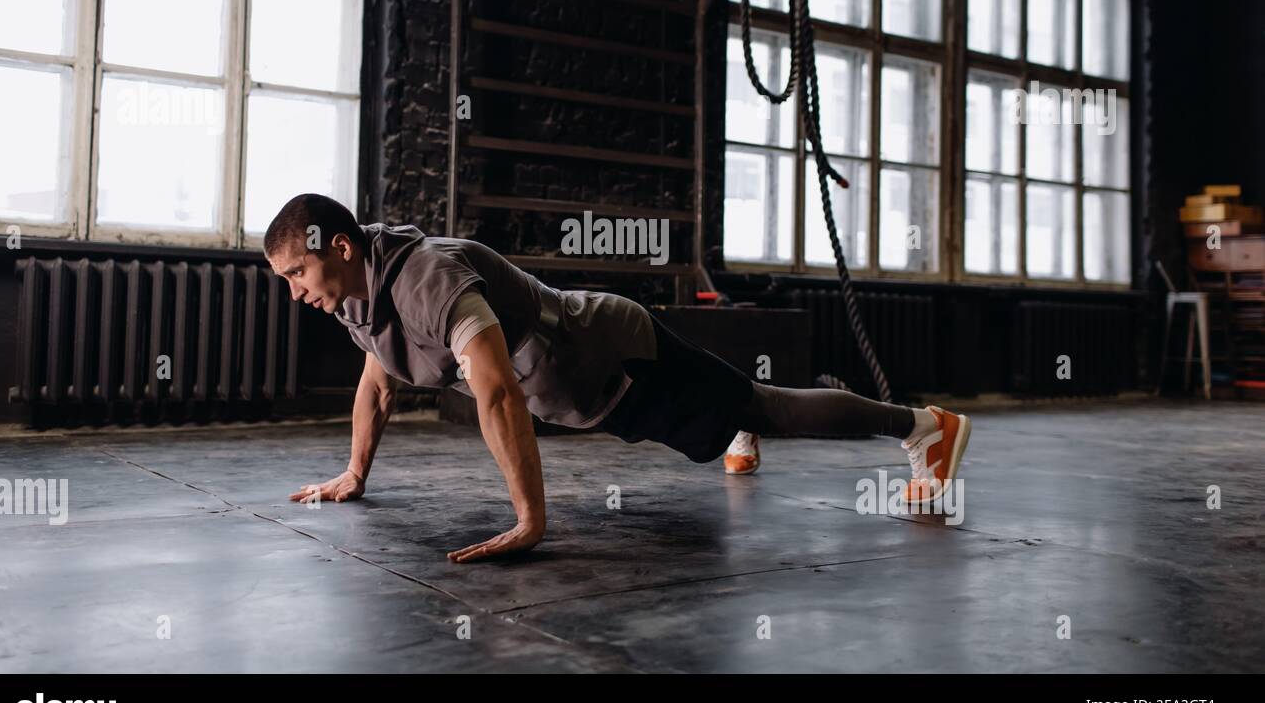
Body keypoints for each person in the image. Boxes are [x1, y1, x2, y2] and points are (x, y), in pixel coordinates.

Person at [263, 193, 971, 563]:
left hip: (617, 358)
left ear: (342, 247)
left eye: (297, 273)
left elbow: (499, 390)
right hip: (585, 392)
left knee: (766, 406)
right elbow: (379, 380)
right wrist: (354, 472)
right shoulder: (356, 296)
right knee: (723, 416)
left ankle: (925, 428)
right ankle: (736, 425)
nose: (295, 293)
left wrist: (530, 521)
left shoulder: (426, 280)